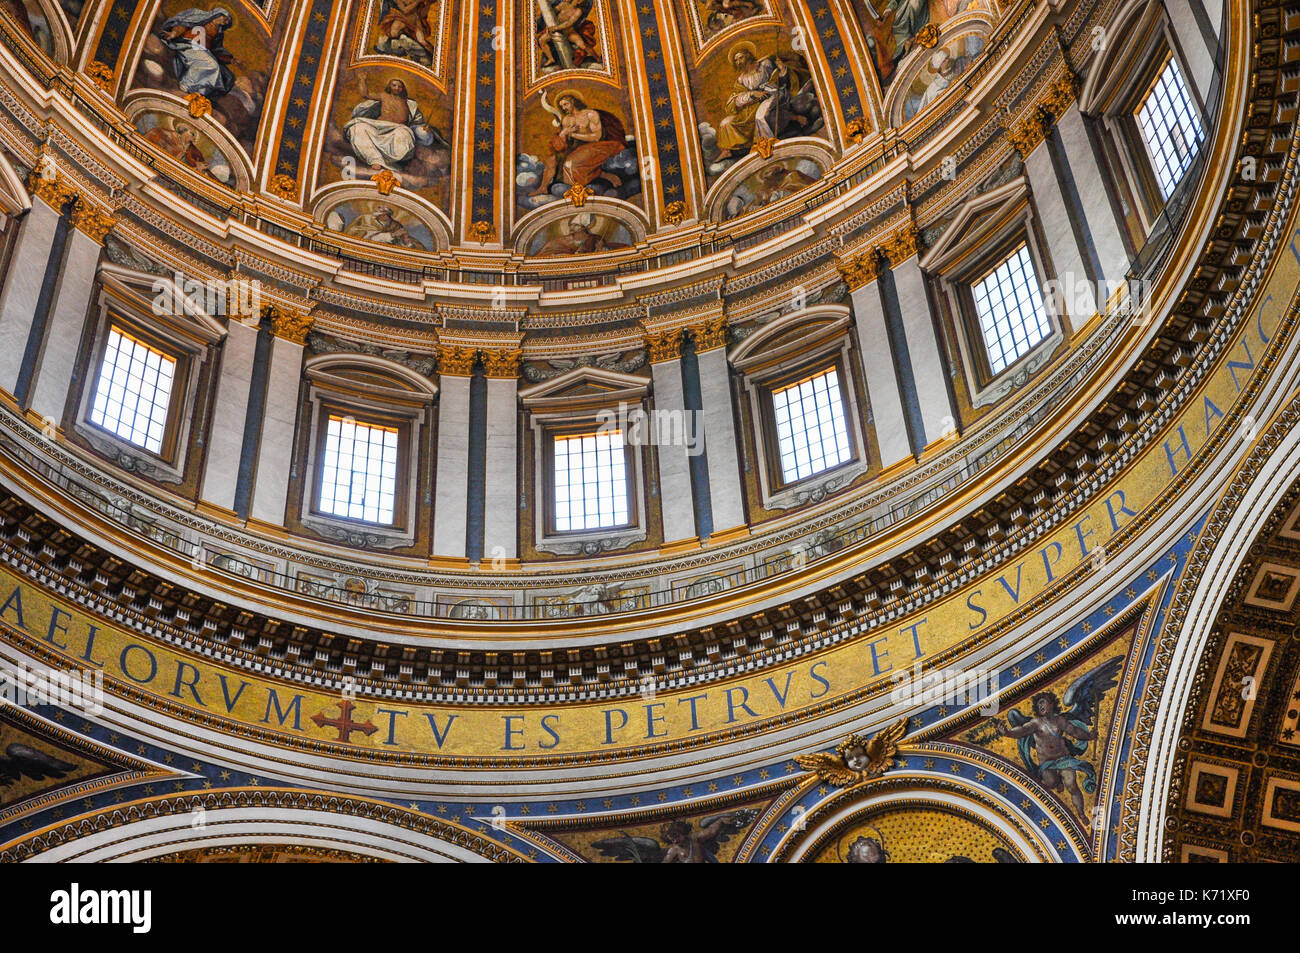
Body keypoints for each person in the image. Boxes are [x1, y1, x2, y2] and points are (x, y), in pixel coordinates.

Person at [714, 43, 810, 160]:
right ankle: (729, 151)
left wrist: (782, 69)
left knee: (760, 116)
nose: (739, 62)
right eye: (736, 60)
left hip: (774, 94)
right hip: (754, 103)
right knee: (725, 123)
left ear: (748, 55)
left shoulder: (765, 64)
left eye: (741, 57)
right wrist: (753, 94)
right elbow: (739, 97)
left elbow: (781, 78)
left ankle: (768, 146)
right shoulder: (741, 79)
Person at [531, 91, 626, 195]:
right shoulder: (566, 120)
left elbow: (596, 137)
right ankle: (543, 188)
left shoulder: (590, 114)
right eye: (561, 106)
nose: (563, 108)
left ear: (573, 102)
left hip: (596, 146)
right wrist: (563, 134)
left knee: (570, 163)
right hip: (575, 148)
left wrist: (572, 135)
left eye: (565, 104)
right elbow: (562, 144)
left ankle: (577, 191)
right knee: (551, 160)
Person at [344, 76, 445, 172]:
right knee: (358, 128)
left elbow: (418, 123)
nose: (397, 88)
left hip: (398, 128)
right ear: (389, 86)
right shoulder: (384, 96)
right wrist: (362, 80)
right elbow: (365, 94)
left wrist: (425, 129)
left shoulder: (409, 103)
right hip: (378, 126)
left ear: (403, 89)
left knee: (404, 135)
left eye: (400, 86)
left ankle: (391, 162)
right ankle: (375, 159)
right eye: (394, 85)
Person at [157, 7, 237, 100]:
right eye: (226, 19)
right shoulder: (201, 18)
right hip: (190, 46)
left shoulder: (218, 33)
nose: (226, 22)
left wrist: (230, 59)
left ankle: (196, 93)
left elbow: (216, 50)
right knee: (211, 65)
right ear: (218, 14)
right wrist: (173, 34)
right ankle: (185, 85)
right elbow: (184, 24)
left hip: (204, 51)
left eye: (228, 21)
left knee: (217, 72)